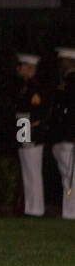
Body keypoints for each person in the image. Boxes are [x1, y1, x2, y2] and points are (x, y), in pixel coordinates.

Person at [14, 52, 45, 217]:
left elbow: (33, 113)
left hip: (30, 132)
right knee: (27, 171)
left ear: (30, 68)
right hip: (23, 130)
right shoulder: (25, 87)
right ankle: (29, 207)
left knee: (33, 171)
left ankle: (36, 208)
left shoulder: (34, 87)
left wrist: (26, 135)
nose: (19, 69)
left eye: (22, 66)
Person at [50, 46, 75, 219]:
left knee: (72, 177)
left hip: (69, 137)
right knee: (68, 177)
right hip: (62, 137)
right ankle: (69, 212)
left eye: (63, 61)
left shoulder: (71, 82)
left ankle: (72, 212)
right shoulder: (64, 83)